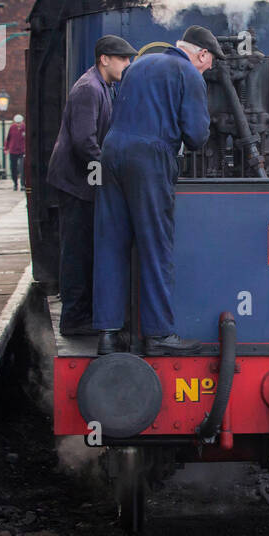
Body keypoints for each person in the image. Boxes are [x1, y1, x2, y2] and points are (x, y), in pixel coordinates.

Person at [93, 26, 218, 356]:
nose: (207, 69)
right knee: (155, 244)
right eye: (209, 63)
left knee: (111, 244)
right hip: (149, 157)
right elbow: (195, 135)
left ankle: (108, 335)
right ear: (201, 55)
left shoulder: (139, 64)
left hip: (111, 152)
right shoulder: (187, 72)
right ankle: (159, 334)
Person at [47, 34, 137, 337]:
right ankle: (73, 319)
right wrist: (111, 171)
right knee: (77, 251)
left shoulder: (104, 86)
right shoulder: (88, 89)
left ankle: (83, 314)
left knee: (84, 249)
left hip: (84, 182)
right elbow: (84, 142)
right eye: (123, 58)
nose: (128, 63)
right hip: (76, 184)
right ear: (105, 59)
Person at [4, 114, 26, 190]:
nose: (18, 124)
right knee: (13, 168)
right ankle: (15, 184)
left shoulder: (25, 128)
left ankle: (23, 184)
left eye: (19, 122)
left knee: (22, 167)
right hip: (13, 151)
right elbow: (8, 138)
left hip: (22, 151)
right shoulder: (12, 128)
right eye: (17, 123)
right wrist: (6, 148)